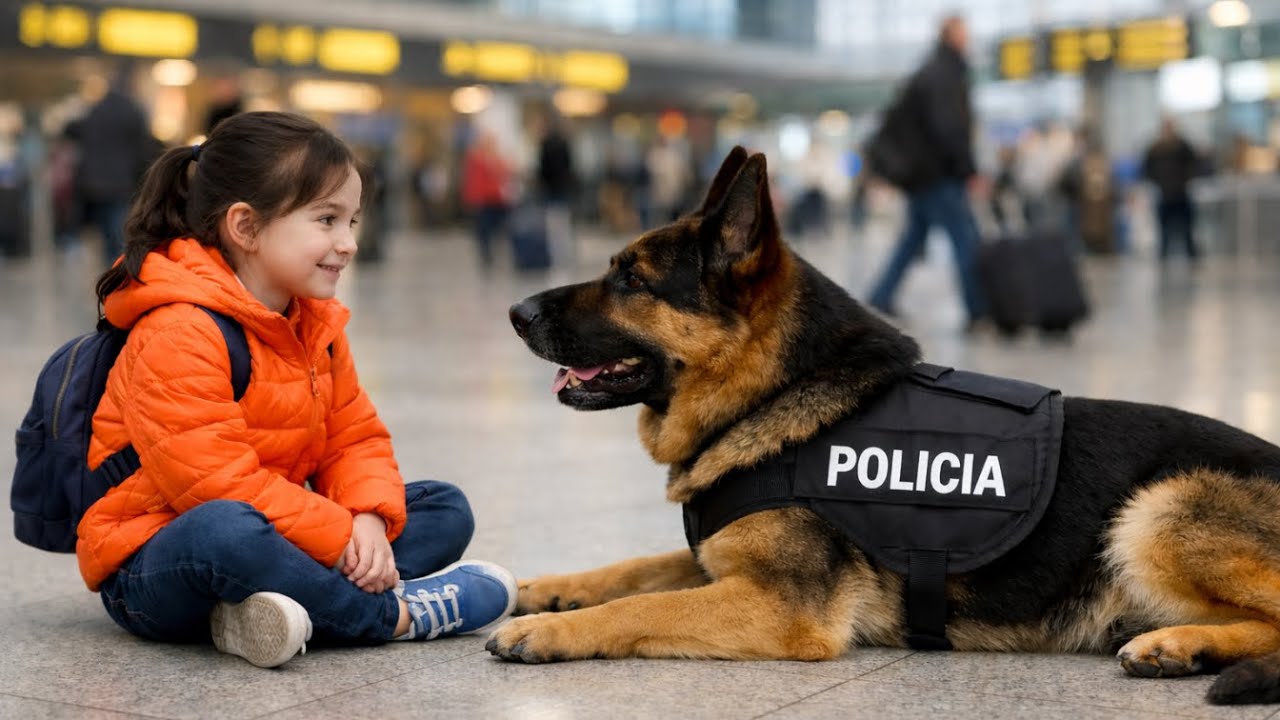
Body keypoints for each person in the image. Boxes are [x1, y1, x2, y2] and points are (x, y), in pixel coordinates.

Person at [79, 112, 516, 668]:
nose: (348, 243)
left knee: (443, 507)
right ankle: (393, 616)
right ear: (245, 227)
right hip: (158, 559)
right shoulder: (180, 330)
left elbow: (354, 438)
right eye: (327, 220)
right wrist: (342, 536)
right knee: (225, 532)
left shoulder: (314, 322)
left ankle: (271, 608)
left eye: (352, 221)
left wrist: (367, 517)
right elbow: (217, 486)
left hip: (283, 528)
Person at [865, 15, 985, 331]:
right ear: (951, 36)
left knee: (912, 239)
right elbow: (948, 128)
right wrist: (968, 169)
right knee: (965, 239)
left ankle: (881, 295)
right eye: (964, 32)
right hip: (938, 176)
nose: (968, 38)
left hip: (920, 176)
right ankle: (979, 309)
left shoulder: (930, 70)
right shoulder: (944, 73)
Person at [75, 69, 162, 266]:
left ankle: (111, 270)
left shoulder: (96, 110)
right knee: (120, 235)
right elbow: (144, 150)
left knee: (106, 236)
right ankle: (120, 273)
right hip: (121, 183)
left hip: (95, 184)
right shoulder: (132, 111)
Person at [1142, 118, 1200, 261]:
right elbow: (1147, 169)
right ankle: (1163, 258)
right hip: (1164, 194)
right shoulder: (1155, 149)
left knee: (1187, 230)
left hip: (1181, 194)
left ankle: (1192, 258)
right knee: (1164, 232)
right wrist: (1158, 183)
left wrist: (1185, 181)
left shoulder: (1183, 146)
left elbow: (1193, 166)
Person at [460, 130, 512, 269]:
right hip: (483, 201)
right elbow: (472, 181)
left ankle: (499, 255)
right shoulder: (476, 159)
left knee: (500, 229)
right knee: (483, 231)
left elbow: (505, 175)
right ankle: (486, 257)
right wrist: (472, 199)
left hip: (498, 200)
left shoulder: (498, 158)